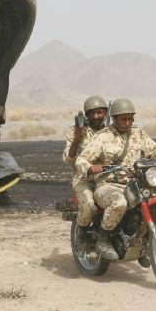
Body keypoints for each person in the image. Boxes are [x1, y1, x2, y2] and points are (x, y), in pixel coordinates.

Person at [75, 98, 156, 261]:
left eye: (130, 118)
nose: (127, 122)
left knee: (152, 202)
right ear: (115, 118)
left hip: (135, 182)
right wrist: (91, 167)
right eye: (123, 119)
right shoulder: (102, 137)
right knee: (119, 203)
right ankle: (103, 240)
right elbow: (81, 159)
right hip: (108, 184)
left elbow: (155, 150)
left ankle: (144, 245)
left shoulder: (138, 134)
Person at [63, 95, 110, 232]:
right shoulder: (75, 131)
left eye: (99, 112)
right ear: (87, 114)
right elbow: (68, 159)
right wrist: (77, 139)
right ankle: (82, 234)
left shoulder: (111, 131)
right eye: (92, 113)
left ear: (105, 114)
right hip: (84, 178)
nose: (96, 116)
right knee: (89, 205)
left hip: (108, 176)